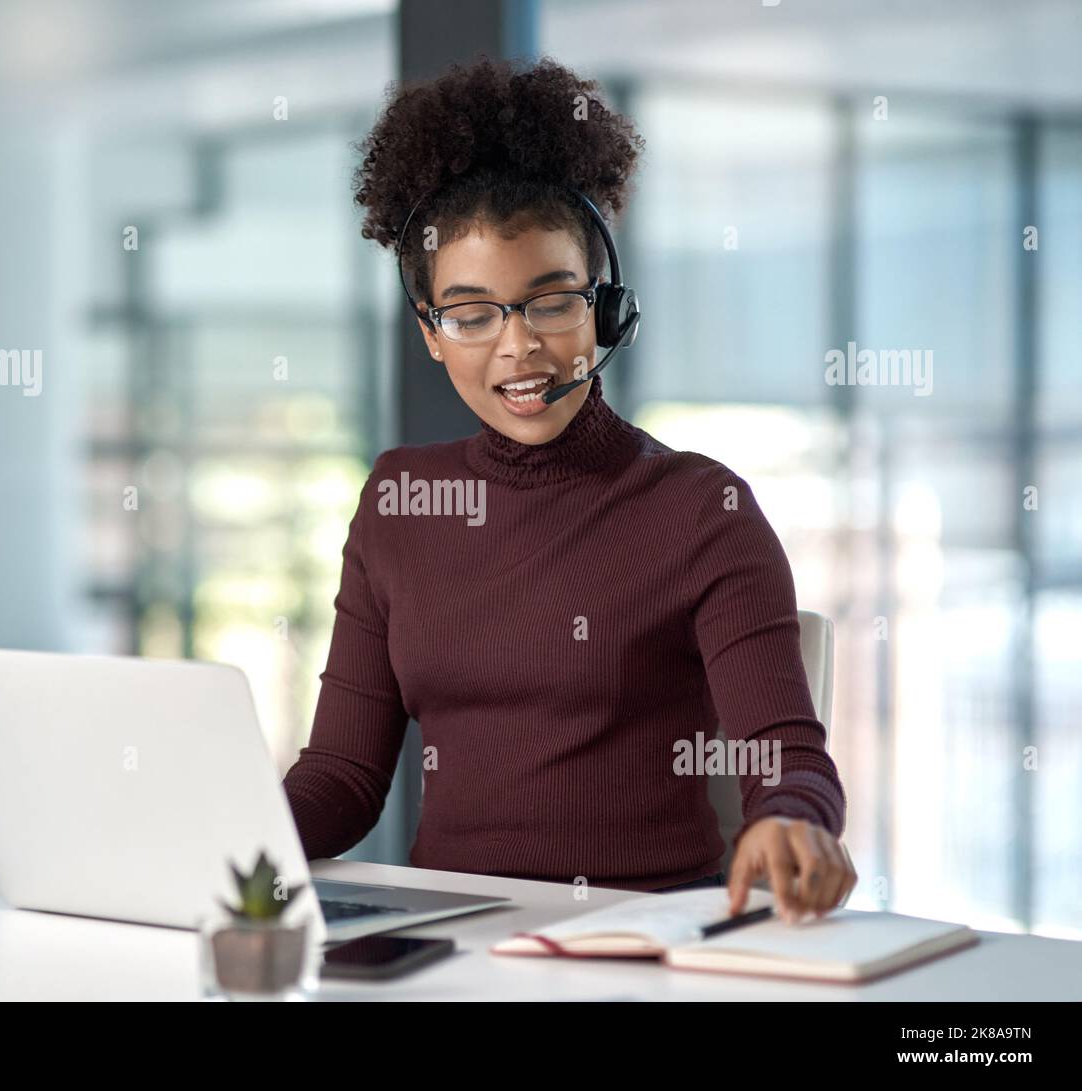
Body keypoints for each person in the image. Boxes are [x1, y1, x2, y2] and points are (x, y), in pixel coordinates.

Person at [282, 55, 855, 922]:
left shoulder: (704, 509)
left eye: (551, 302)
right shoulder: (400, 500)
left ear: (607, 308)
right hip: (450, 945)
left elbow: (788, 761)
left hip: (644, 941)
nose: (517, 348)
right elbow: (343, 779)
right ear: (433, 335)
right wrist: (216, 834)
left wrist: (793, 822)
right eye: (471, 315)